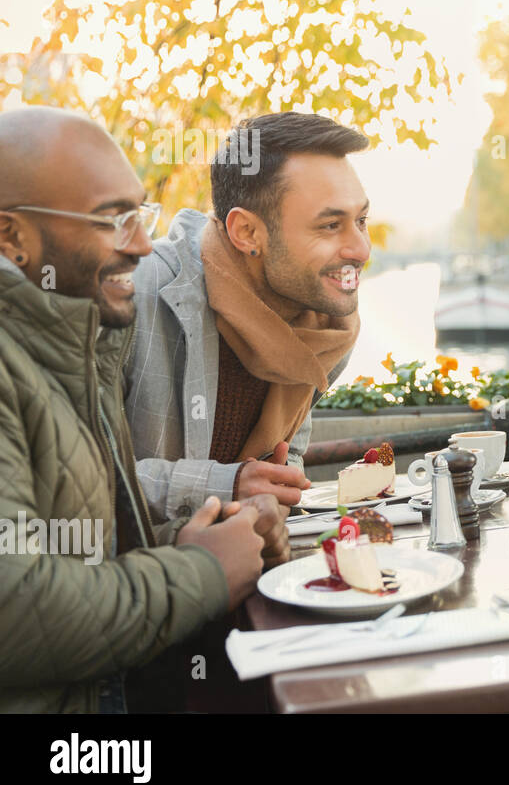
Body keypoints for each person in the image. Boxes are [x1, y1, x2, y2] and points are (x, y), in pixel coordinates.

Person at [0, 107, 275, 713]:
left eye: (140, 213)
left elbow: (76, 550)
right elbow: (14, 608)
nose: (142, 244)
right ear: (11, 237)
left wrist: (209, 536)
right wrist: (203, 573)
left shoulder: (75, 341)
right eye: (111, 220)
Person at [126, 112, 370, 524]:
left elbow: (280, 464)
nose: (361, 249)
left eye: (361, 220)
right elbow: (73, 481)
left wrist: (268, 502)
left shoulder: (323, 329)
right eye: (330, 225)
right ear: (247, 233)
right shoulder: (132, 294)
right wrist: (223, 486)